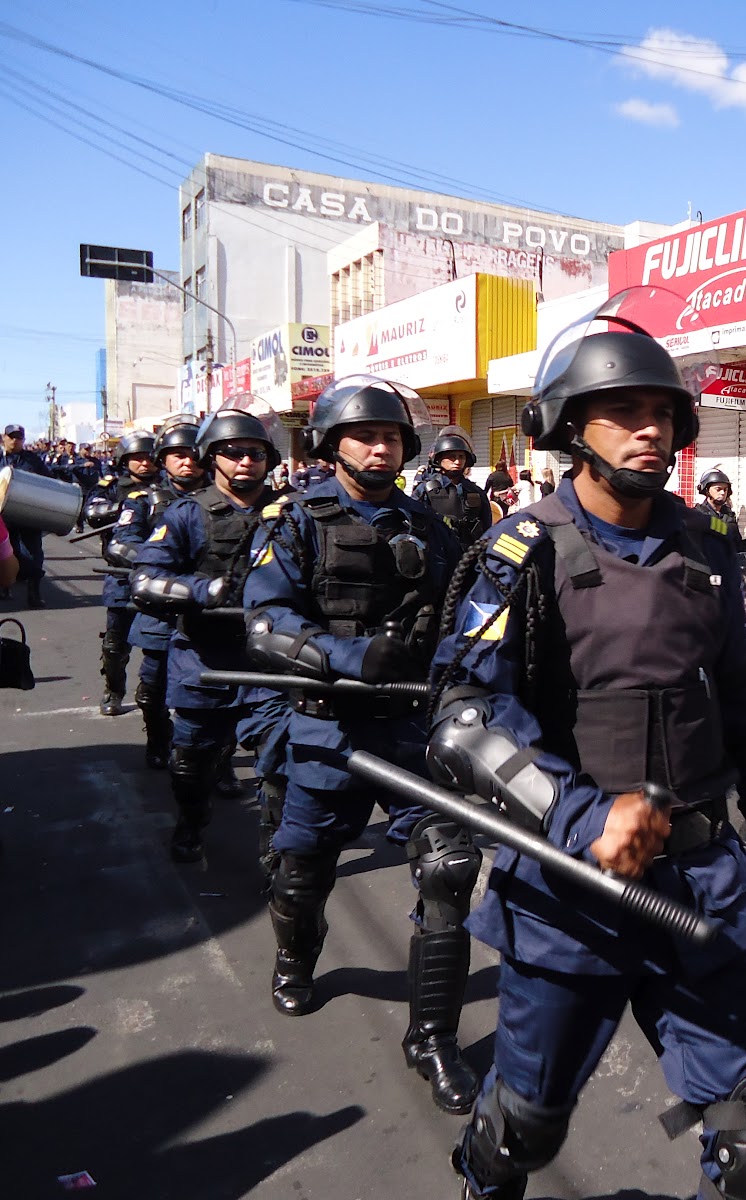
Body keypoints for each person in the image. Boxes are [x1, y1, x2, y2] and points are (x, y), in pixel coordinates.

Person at [431, 308, 746, 1200]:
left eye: (663, 413)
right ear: (566, 426)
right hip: (574, 896)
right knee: (520, 1133)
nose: (651, 430)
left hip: (701, 884)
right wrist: (583, 815)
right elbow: (463, 716)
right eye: (623, 411)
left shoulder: (706, 546)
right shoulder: (518, 552)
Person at [242, 375, 472, 1115]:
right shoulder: (296, 517)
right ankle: (295, 955)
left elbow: (464, 614)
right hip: (327, 725)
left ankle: (433, 1035)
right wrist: (349, 659)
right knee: (301, 871)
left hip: (409, 730)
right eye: (365, 436)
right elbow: (265, 623)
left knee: (448, 868)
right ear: (331, 444)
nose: (381, 447)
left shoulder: (428, 521)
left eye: (393, 437)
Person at [131, 410, 282, 861]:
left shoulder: (292, 511)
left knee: (280, 762)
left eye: (255, 453)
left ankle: (282, 849)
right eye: (232, 453)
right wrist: (202, 589)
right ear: (211, 459)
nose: (245, 462)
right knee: (191, 760)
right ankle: (191, 822)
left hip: (272, 662)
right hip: (205, 660)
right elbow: (145, 580)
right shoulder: (187, 514)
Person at [110, 420, 207, 768]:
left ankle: (219, 763)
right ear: (162, 460)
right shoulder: (143, 500)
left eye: (193, 455)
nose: (186, 463)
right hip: (161, 607)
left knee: (217, 693)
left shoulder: (221, 500)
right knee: (153, 688)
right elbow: (121, 544)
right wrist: (160, 564)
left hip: (209, 608)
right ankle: (158, 739)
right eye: (177, 455)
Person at [83, 430, 162, 713]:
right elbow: (92, 512)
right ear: (124, 460)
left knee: (161, 641)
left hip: (161, 573)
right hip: (121, 572)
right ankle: (113, 689)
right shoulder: (113, 485)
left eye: (149, 457)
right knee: (116, 642)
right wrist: (127, 509)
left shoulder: (169, 485)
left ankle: (153, 690)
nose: (144, 463)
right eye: (137, 458)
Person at [413, 427, 493, 546]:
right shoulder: (425, 490)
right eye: (452, 457)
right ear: (439, 459)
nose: (457, 461)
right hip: (437, 554)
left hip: (468, 555)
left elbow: (486, 527)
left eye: (461, 457)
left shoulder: (475, 492)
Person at [0, 424, 52, 606]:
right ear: (4, 438)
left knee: (33, 553)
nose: (15, 440)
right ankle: (6, 586)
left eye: (19, 437)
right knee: (7, 552)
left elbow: (48, 480)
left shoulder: (32, 459)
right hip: (5, 516)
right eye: (11, 436)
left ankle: (34, 593)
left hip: (29, 514)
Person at [695, 467, 746, 551]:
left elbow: (737, 544)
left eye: (725, 489)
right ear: (707, 490)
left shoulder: (729, 515)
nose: (722, 493)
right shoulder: (698, 514)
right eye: (718, 489)